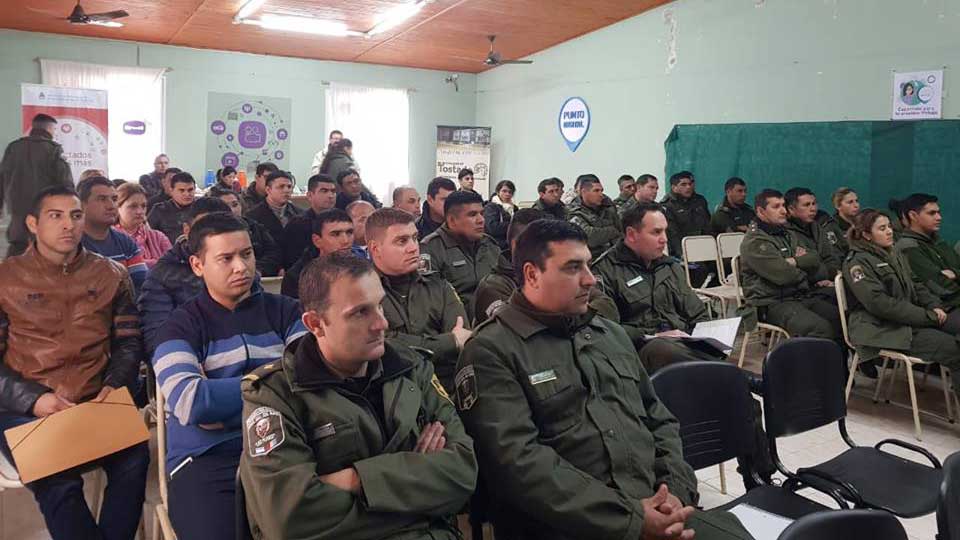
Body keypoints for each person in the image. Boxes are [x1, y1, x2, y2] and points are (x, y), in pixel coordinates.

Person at [456, 219, 753, 540]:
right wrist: (633, 520)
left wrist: (675, 494)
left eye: (588, 265)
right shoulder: (491, 350)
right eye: (572, 268)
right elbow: (519, 465)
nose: (589, 279)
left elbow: (659, 419)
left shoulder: (607, 333)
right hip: (569, 526)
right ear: (532, 275)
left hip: (655, 506)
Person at [238, 253, 477, 539]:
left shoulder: (411, 367)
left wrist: (355, 479)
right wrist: (420, 490)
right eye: (360, 313)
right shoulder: (274, 395)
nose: (381, 324)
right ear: (315, 323)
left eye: (380, 306)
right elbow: (288, 519)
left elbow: (463, 471)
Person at [0, 185, 148, 540]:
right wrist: (34, 398)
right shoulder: (6, 278)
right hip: (25, 407)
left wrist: (115, 385)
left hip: (94, 399)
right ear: (33, 224)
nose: (68, 225)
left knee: (135, 458)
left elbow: (128, 343)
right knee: (57, 476)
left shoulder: (111, 274)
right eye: (56, 216)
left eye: (75, 215)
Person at [152, 212, 306, 540]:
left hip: (287, 448)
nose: (241, 267)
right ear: (197, 265)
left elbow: (312, 379)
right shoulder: (178, 327)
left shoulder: (288, 311)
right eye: (226, 258)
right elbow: (192, 402)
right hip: (208, 460)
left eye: (247, 254)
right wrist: (278, 387)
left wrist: (223, 401)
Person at [593, 202, 726, 372]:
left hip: (680, 343)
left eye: (665, 231)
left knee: (714, 349)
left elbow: (696, 312)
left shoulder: (669, 266)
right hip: (640, 349)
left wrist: (706, 337)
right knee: (663, 349)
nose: (665, 239)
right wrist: (651, 336)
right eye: (656, 232)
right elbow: (605, 329)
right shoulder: (605, 270)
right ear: (632, 234)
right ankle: (738, 377)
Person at [843, 208, 960, 398]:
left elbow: (916, 285)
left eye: (889, 226)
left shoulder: (893, 254)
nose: (889, 231)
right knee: (954, 351)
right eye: (882, 228)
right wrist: (927, 316)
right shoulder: (857, 263)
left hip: (905, 322)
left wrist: (933, 305)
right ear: (866, 235)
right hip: (880, 328)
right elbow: (880, 305)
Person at [366, 208, 470, 391]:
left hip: (447, 390)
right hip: (390, 393)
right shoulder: (363, 294)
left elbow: (464, 342)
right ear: (375, 248)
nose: (414, 247)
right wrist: (449, 342)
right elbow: (383, 348)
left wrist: (404, 342)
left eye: (414, 238)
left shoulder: (439, 286)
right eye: (401, 241)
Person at [475, 209, 619, 325]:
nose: (590, 280)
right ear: (516, 244)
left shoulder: (570, 275)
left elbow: (608, 307)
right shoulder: (495, 285)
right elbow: (518, 327)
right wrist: (574, 316)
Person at [740, 189, 842, 345]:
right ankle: (811, 369)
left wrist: (792, 262)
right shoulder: (755, 241)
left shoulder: (787, 233)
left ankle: (838, 369)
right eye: (776, 207)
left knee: (839, 319)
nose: (783, 210)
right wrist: (802, 265)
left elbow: (814, 258)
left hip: (798, 295)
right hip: (771, 303)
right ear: (761, 211)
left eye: (783, 205)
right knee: (820, 328)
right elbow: (784, 276)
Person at [139, 197, 233, 357]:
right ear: (187, 230)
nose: (215, 238)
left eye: (223, 230)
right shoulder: (164, 274)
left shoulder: (239, 268)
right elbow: (157, 338)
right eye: (206, 231)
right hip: (192, 360)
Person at [420, 190, 500, 323]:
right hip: (457, 327)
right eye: (472, 215)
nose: (481, 220)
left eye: (482, 213)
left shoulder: (489, 244)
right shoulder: (431, 249)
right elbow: (432, 303)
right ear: (452, 220)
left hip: (494, 323)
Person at [0, 113, 74, 256]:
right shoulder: (53, 149)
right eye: (54, 130)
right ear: (49, 129)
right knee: (45, 255)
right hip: (45, 215)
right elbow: (66, 185)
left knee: (16, 255)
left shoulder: (13, 148)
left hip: (17, 214)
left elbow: (1, 178)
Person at [894, 193, 960, 329]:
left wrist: (955, 274)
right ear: (913, 216)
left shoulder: (937, 240)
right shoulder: (908, 247)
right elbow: (941, 287)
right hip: (943, 309)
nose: (939, 217)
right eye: (932, 213)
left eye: (939, 212)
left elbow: (956, 268)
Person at [77, 176, 148, 294]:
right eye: (102, 199)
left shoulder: (125, 241)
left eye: (114, 199)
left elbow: (142, 287)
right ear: (81, 205)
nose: (111, 206)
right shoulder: (71, 244)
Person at [282, 208, 365, 298]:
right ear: (317, 240)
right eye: (336, 234)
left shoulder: (364, 269)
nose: (345, 241)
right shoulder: (297, 277)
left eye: (349, 232)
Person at [216, 191, 282, 277]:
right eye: (225, 206)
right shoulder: (211, 234)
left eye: (235, 205)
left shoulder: (255, 227)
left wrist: (258, 269)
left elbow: (273, 253)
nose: (232, 210)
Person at [280, 173, 338, 269]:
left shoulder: (342, 220)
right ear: (310, 195)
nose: (330, 195)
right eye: (324, 191)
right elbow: (292, 259)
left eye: (333, 191)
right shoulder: (298, 224)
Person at [784, 187, 842, 279]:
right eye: (806, 205)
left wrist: (829, 277)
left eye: (814, 204)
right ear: (791, 209)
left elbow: (831, 258)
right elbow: (799, 268)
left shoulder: (817, 227)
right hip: (802, 286)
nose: (813, 209)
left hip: (826, 281)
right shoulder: (784, 233)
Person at [115, 182, 172, 268]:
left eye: (143, 206)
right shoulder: (110, 239)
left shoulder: (158, 237)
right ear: (117, 207)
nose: (140, 211)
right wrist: (156, 263)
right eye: (133, 206)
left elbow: (172, 265)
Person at [567, 174, 622, 259]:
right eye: (596, 191)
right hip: (591, 260)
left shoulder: (607, 205)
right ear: (583, 192)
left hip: (615, 255)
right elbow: (590, 238)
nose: (601, 194)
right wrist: (612, 230)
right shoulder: (572, 210)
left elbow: (620, 229)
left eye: (601, 190)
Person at [244, 170, 302, 245]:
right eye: (281, 186)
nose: (286, 190)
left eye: (289, 187)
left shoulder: (299, 214)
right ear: (268, 190)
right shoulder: (252, 217)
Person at [662, 171, 711, 257]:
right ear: (674, 188)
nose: (688, 187)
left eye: (690, 184)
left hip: (704, 246)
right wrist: (681, 254)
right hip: (682, 250)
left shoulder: (700, 200)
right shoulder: (667, 206)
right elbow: (673, 234)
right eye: (683, 184)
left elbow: (708, 225)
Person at [148, 171, 198, 243]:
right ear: (171, 191)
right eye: (181, 190)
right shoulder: (159, 210)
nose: (187, 194)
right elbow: (148, 236)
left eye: (190, 190)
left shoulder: (201, 207)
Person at [822, 187, 859, 256]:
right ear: (838, 206)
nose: (856, 205)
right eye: (850, 202)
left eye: (856, 201)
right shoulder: (831, 228)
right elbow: (834, 255)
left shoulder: (861, 223)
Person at [483, 179, 518, 251]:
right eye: (504, 191)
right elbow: (492, 228)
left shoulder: (515, 208)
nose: (507, 194)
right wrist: (513, 225)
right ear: (498, 192)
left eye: (510, 192)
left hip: (511, 245)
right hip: (496, 246)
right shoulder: (491, 207)